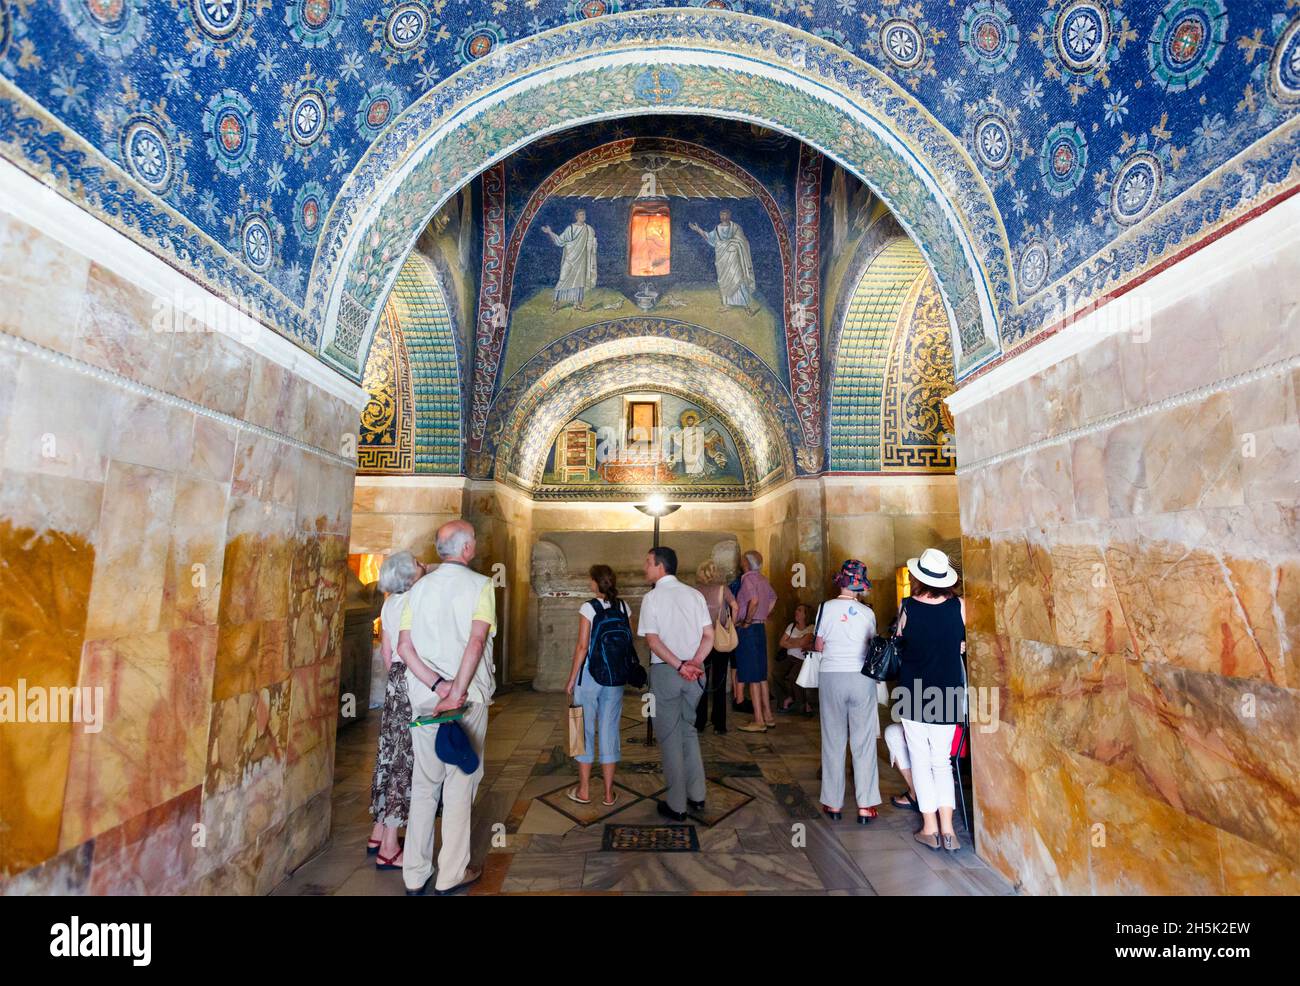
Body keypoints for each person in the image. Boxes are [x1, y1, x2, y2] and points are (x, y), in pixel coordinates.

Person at [396, 520, 497, 895]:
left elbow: (404, 649)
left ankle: (414, 873)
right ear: (467, 549)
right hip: (465, 702)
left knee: (424, 786)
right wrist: (456, 691)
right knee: (460, 784)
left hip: (425, 699)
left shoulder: (416, 589)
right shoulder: (481, 585)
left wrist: (437, 686)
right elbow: (476, 641)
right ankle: (451, 872)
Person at [894, 548, 967, 853]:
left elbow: (900, 641)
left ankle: (930, 828)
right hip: (948, 688)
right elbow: (962, 645)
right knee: (942, 762)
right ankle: (949, 831)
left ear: (919, 576)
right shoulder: (960, 606)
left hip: (914, 689)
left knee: (921, 762)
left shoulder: (908, 606)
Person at [638, 546, 712, 822]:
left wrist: (680, 666)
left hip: (668, 672)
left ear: (661, 567)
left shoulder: (652, 598)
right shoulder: (695, 595)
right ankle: (698, 795)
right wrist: (694, 663)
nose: (644, 567)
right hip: (696, 673)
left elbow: (653, 641)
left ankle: (677, 805)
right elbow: (708, 635)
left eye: (648, 563)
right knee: (689, 732)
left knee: (669, 739)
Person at [367, 551, 427, 869]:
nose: (423, 565)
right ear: (408, 574)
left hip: (395, 681)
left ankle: (378, 831)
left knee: (389, 756)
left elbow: (387, 654)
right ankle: (389, 847)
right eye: (418, 563)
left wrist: (397, 680)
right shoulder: (415, 602)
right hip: (413, 681)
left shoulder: (389, 603)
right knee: (405, 762)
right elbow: (414, 649)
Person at [813, 560, 881, 824]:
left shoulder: (825, 608)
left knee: (833, 739)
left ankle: (833, 803)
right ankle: (866, 806)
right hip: (861, 678)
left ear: (840, 581)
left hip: (832, 676)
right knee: (863, 742)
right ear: (860, 586)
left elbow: (819, 645)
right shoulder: (867, 613)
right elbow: (871, 645)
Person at [564, 564, 633, 807]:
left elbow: (582, 647)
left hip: (589, 677)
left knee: (579, 729)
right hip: (615, 678)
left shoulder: (588, 607)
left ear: (595, 582)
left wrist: (572, 678)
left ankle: (583, 790)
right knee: (609, 730)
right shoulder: (624, 607)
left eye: (590, 579)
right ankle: (607, 793)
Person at [693, 560, 738, 735]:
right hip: (720, 639)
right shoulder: (723, 589)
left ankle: (700, 722)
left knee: (701, 681)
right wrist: (731, 624)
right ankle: (719, 724)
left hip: (702, 640)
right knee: (719, 680)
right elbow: (735, 606)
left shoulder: (696, 591)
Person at [734, 550, 778, 732]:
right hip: (760, 628)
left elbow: (754, 600)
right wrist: (763, 616)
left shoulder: (748, 579)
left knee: (751, 675)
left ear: (746, 563)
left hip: (749, 629)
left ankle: (758, 720)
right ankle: (768, 716)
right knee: (761, 675)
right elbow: (773, 599)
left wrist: (747, 620)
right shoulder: (763, 579)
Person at [689, 210, 759, 314]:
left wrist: (732, 244)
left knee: (738, 278)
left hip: (734, 257)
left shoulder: (736, 227)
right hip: (722, 258)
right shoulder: (717, 228)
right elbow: (710, 237)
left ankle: (746, 306)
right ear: (720, 216)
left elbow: (742, 241)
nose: (724, 217)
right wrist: (698, 229)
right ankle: (727, 304)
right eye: (722, 215)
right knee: (724, 281)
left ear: (730, 215)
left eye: (726, 214)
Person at [542, 208, 597, 311]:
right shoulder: (570, 228)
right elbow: (560, 241)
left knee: (580, 282)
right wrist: (550, 232)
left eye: (584, 214)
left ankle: (577, 303)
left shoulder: (589, 229)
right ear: (576, 217)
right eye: (581, 215)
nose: (583, 216)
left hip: (581, 260)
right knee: (563, 279)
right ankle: (556, 303)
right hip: (570, 258)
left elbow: (592, 243)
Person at [774, 602, 814, 716]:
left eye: (799, 610)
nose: (796, 612)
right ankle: (787, 697)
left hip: (802, 660)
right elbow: (782, 642)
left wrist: (791, 641)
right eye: (796, 610)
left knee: (793, 676)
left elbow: (803, 642)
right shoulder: (791, 626)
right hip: (789, 657)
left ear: (806, 615)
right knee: (776, 673)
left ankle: (802, 704)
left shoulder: (811, 628)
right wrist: (797, 642)